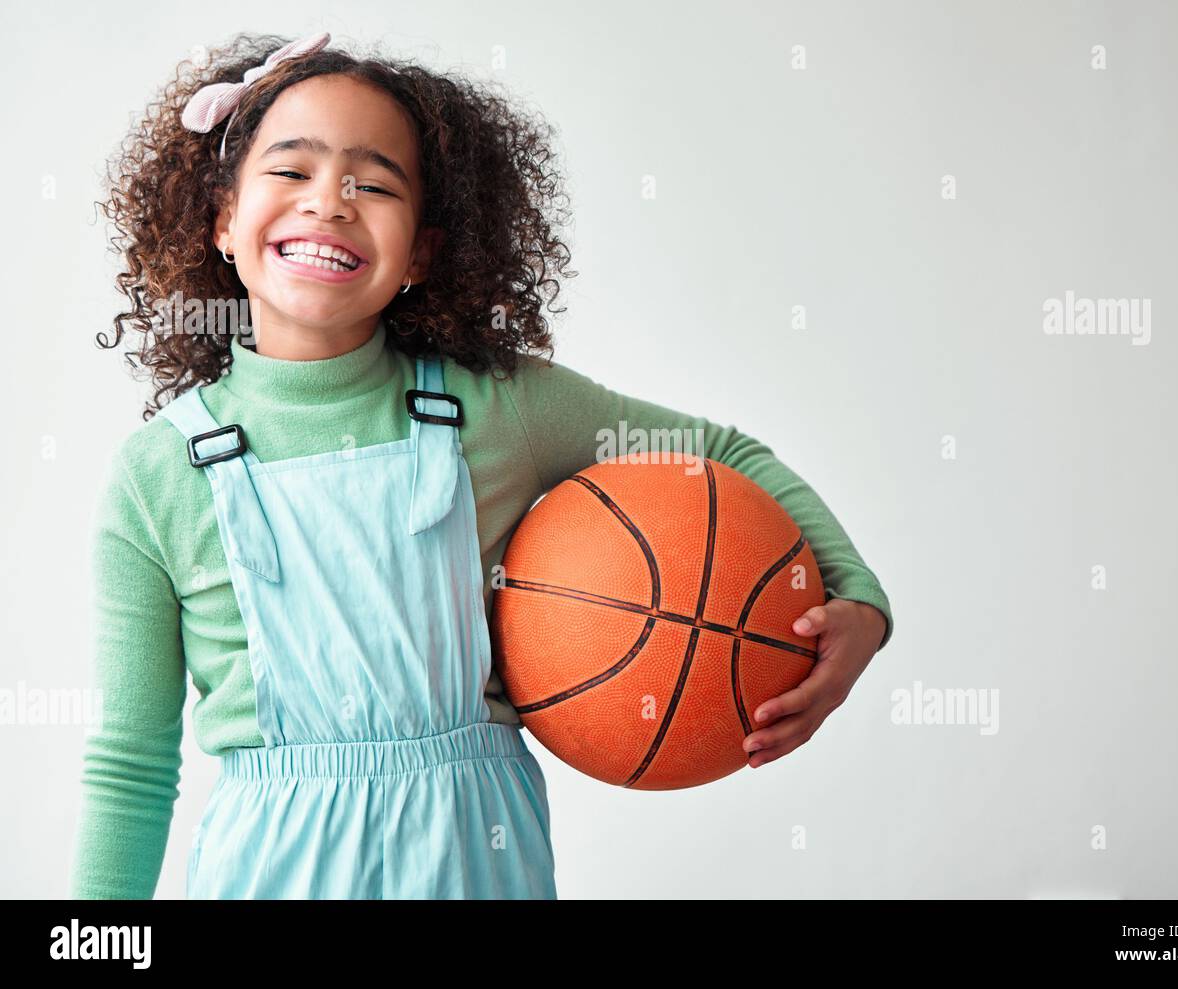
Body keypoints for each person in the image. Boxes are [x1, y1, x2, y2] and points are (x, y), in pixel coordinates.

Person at [69, 31, 894, 899]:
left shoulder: (500, 410)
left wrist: (858, 600)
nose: (331, 203)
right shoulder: (158, 474)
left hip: (477, 863)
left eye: (375, 183)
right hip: (269, 870)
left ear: (424, 252)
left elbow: (724, 456)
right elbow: (130, 760)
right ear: (222, 220)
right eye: (291, 170)